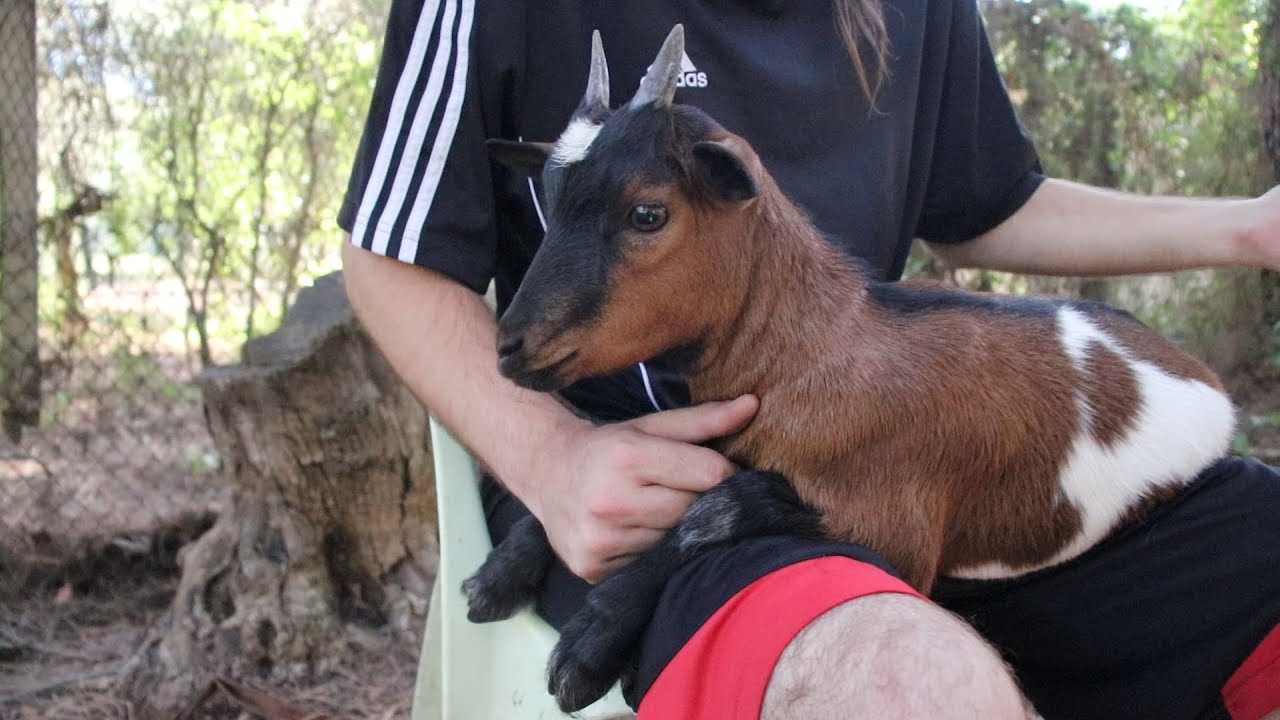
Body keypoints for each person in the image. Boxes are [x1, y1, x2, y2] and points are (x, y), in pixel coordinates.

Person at [338, 1, 1280, 718]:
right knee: (906, 683)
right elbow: (389, 252)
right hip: (641, 488)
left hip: (897, 445)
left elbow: (989, 202)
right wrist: (552, 458)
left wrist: (1248, 228)